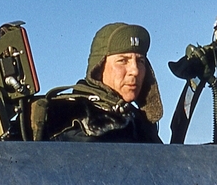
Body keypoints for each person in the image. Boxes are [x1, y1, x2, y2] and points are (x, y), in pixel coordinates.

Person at [32, 22, 163, 143]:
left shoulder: (140, 123)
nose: (135, 71)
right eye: (123, 60)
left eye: (140, 61)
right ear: (99, 67)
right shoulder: (67, 115)